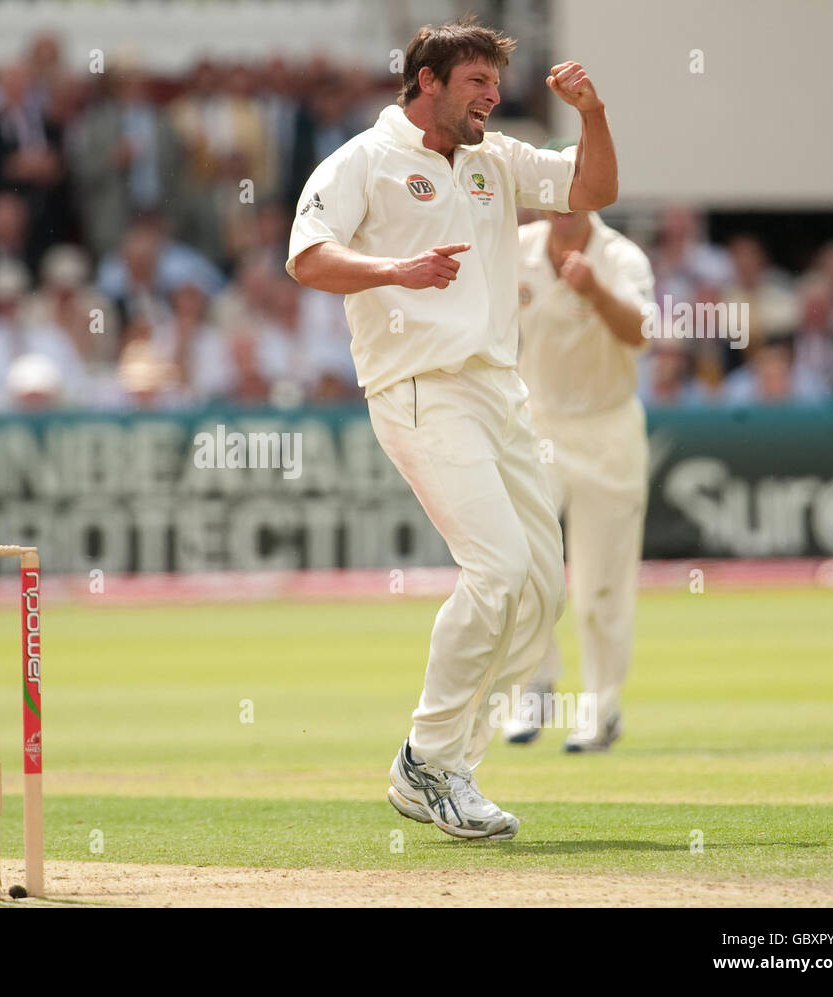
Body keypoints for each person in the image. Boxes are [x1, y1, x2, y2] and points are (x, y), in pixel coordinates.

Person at [288, 17, 617, 840]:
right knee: (499, 568)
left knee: (540, 589)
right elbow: (306, 256)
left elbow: (593, 192)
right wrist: (393, 269)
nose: (492, 99)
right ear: (427, 81)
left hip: (498, 392)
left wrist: (595, 115)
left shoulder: (494, 159)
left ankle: (445, 765)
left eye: (495, 86)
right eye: (476, 83)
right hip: (418, 388)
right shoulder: (365, 160)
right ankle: (430, 760)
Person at [502, 207, 654, 751]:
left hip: (607, 428)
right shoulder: (514, 245)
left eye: (575, 197)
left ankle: (600, 711)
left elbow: (642, 333)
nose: (563, 211)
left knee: (601, 588)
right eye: (554, 197)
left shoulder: (619, 256)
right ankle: (533, 684)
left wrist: (595, 292)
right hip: (535, 423)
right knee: (518, 562)